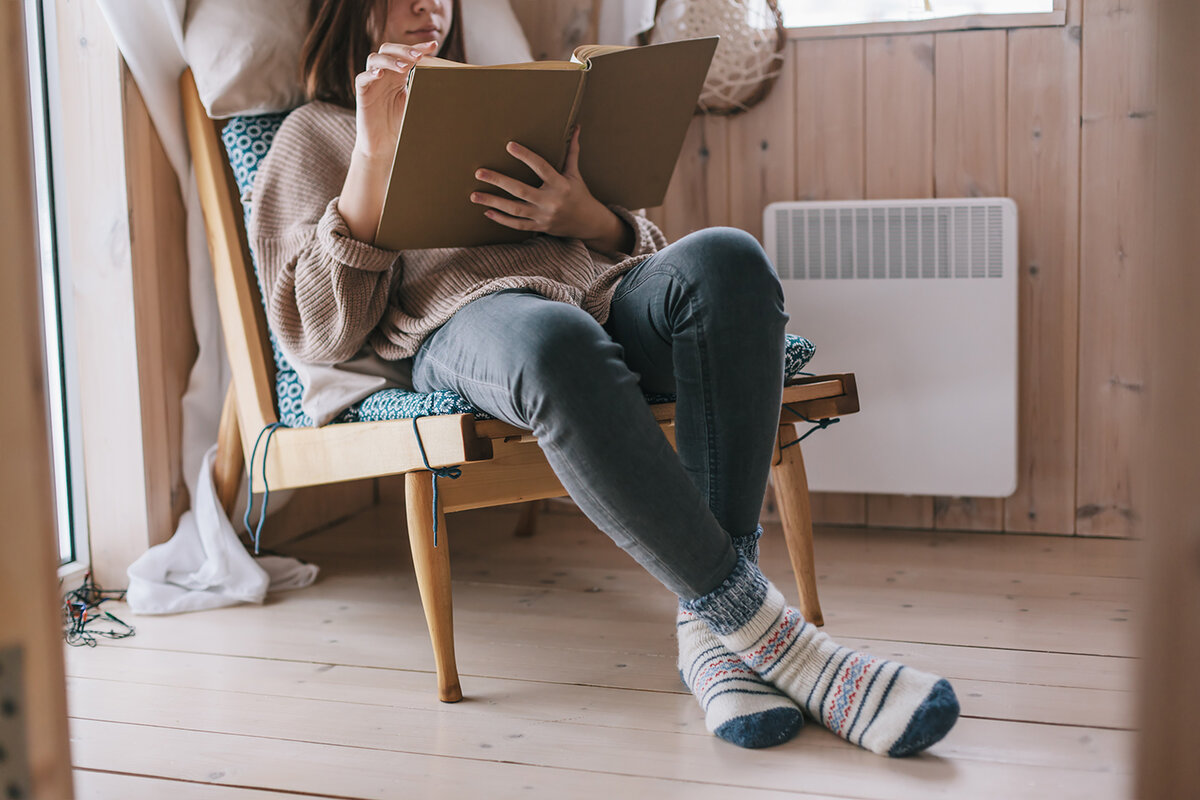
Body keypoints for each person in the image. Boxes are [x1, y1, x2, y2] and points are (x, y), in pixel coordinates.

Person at [248, 0, 960, 754]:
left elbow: (634, 246)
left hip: (600, 290)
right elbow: (317, 331)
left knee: (729, 259)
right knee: (555, 342)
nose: (430, 4)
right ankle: (774, 638)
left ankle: (714, 633)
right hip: (462, 324)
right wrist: (370, 160)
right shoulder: (312, 133)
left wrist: (585, 214)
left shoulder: (504, 104)